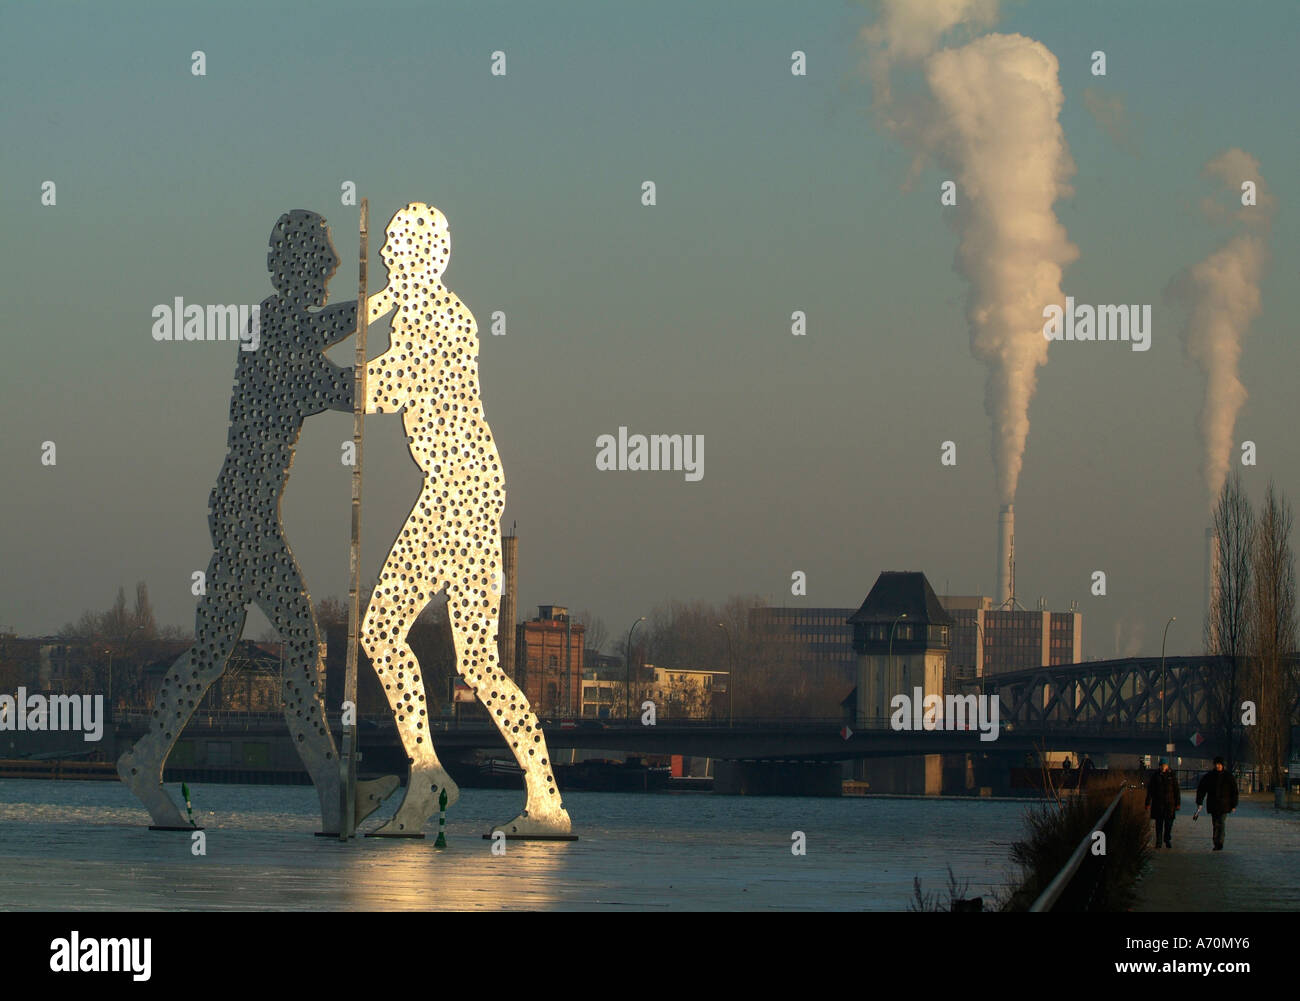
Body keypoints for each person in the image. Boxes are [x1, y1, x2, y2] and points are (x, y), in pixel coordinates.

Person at [118, 211, 396, 833]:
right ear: (291, 265)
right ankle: (332, 792)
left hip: (242, 510)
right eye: (319, 256)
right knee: (303, 643)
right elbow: (344, 383)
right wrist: (396, 313)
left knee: (212, 653)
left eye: (330, 257)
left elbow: (329, 331)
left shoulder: (278, 325)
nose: (328, 266)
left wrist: (387, 303)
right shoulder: (274, 329)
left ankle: (146, 760)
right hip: (245, 514)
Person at [360, 202, 572, 838]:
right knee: (477, 662)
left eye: (407, 253)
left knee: (381, 632)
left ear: (432, 259)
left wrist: (316, 380)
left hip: (459, 492)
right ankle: (542, 798)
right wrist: (371, 309)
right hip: (471, 490)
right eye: (394, 253)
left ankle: (429, 774)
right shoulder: (428, 311)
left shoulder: (442, 318)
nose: (400, 263)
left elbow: (386, 387)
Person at [1195, 756, 1239, 851]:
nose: (1218, 766)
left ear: (1222, 765)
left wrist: (1234, 804)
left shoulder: (1228, 777)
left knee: (1221, 823)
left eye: (1219, 764)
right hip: (1213, 804)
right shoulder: (1209, 776)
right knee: (1215, 824)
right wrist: (1199, 801)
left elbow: (1234, 791)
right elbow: (1201, 789)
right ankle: (1216, 842)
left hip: (1224, 804)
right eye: (1216, 764)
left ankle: (1220, 842)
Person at [1145, 757, 1180, 849]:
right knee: (1159, 824)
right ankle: (1159, 842)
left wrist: (1177, 803)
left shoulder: (1172, 775)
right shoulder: (1155, 776)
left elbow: (1176, 790)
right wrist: (1147, 802)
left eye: (1164, 765)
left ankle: (1167, 838)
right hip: (1158, 804)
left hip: (1170, 804)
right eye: (1161, 765)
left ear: (1167, 766)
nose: (1163, 767)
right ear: (1159, 766)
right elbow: (1150, 790)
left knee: (1169, 824)